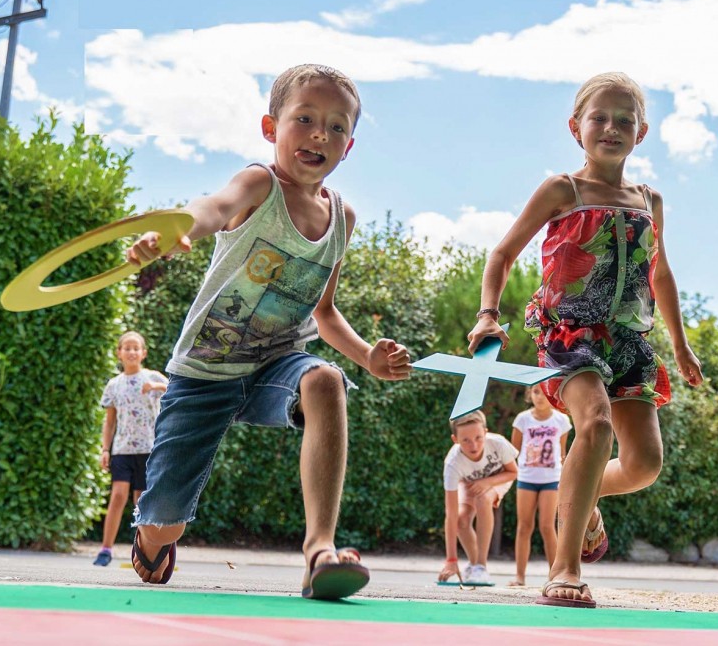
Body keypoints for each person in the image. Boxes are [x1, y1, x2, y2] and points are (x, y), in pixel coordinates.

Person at [124, 64, 412, 600]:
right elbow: (214, 207)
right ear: (270, 127)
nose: (320, 135)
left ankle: (319, 552)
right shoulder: (260, 183)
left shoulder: (342, 218)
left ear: (348, 147)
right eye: (304, 119)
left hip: (277, 363)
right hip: (204, 373)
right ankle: (153, 538)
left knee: (325, 380)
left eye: (336, 127)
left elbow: (324, 313)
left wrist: (369, 356)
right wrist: (175, 229)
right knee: (163, 524)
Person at [467, 72, 704, 609]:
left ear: (641, 134)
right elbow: (501, 254)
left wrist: (681, 345)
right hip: (569, 335)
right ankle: (565, 569)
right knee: (593, 423)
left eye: (625, 120)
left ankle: (584, 491)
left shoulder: (650, 200)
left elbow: (660, 276)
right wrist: (487, 314)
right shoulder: (562, 191)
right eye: (600, 117)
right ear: (577, 127)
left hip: (628, 341)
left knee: (645, 464)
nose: (612, 128)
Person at [93, 331, 168, 566]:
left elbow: (177, 391)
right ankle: (105, 549)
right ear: (119, 353)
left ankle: (146, 552)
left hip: (148, 450)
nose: (132, 351)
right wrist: (105, 449)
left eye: (136, 348)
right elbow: (110, 420)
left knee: (141, 501)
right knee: (117, 496)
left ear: (143, 353)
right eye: (127, 347)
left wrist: (155, 385)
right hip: (122, 450)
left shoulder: (153, 377)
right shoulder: (114, 384)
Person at [437, 410, 518, 587]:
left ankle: (481, 566)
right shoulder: (452, 463)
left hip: (499, 478)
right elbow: (450, 514)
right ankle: (473, 567)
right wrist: (451, 559)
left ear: (485, 432)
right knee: (460, 519)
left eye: (478, 438)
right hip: (470, 482)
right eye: (465, 440)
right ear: (455, 439)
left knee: (483, 498)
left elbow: (513, 472)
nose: (474, 445)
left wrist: (487, 482)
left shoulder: (498, 444)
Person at [507, 384, 571, 586]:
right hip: (526, 478)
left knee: (547, 526)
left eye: (544, 392)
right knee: (524, 526)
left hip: (551, 479)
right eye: (535, 392)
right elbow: (513, 451)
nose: (540, 396)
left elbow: (562, 452)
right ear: (529, 395)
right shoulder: (522, 420)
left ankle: (555, 575)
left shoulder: (561, 419)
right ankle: (519, 577)